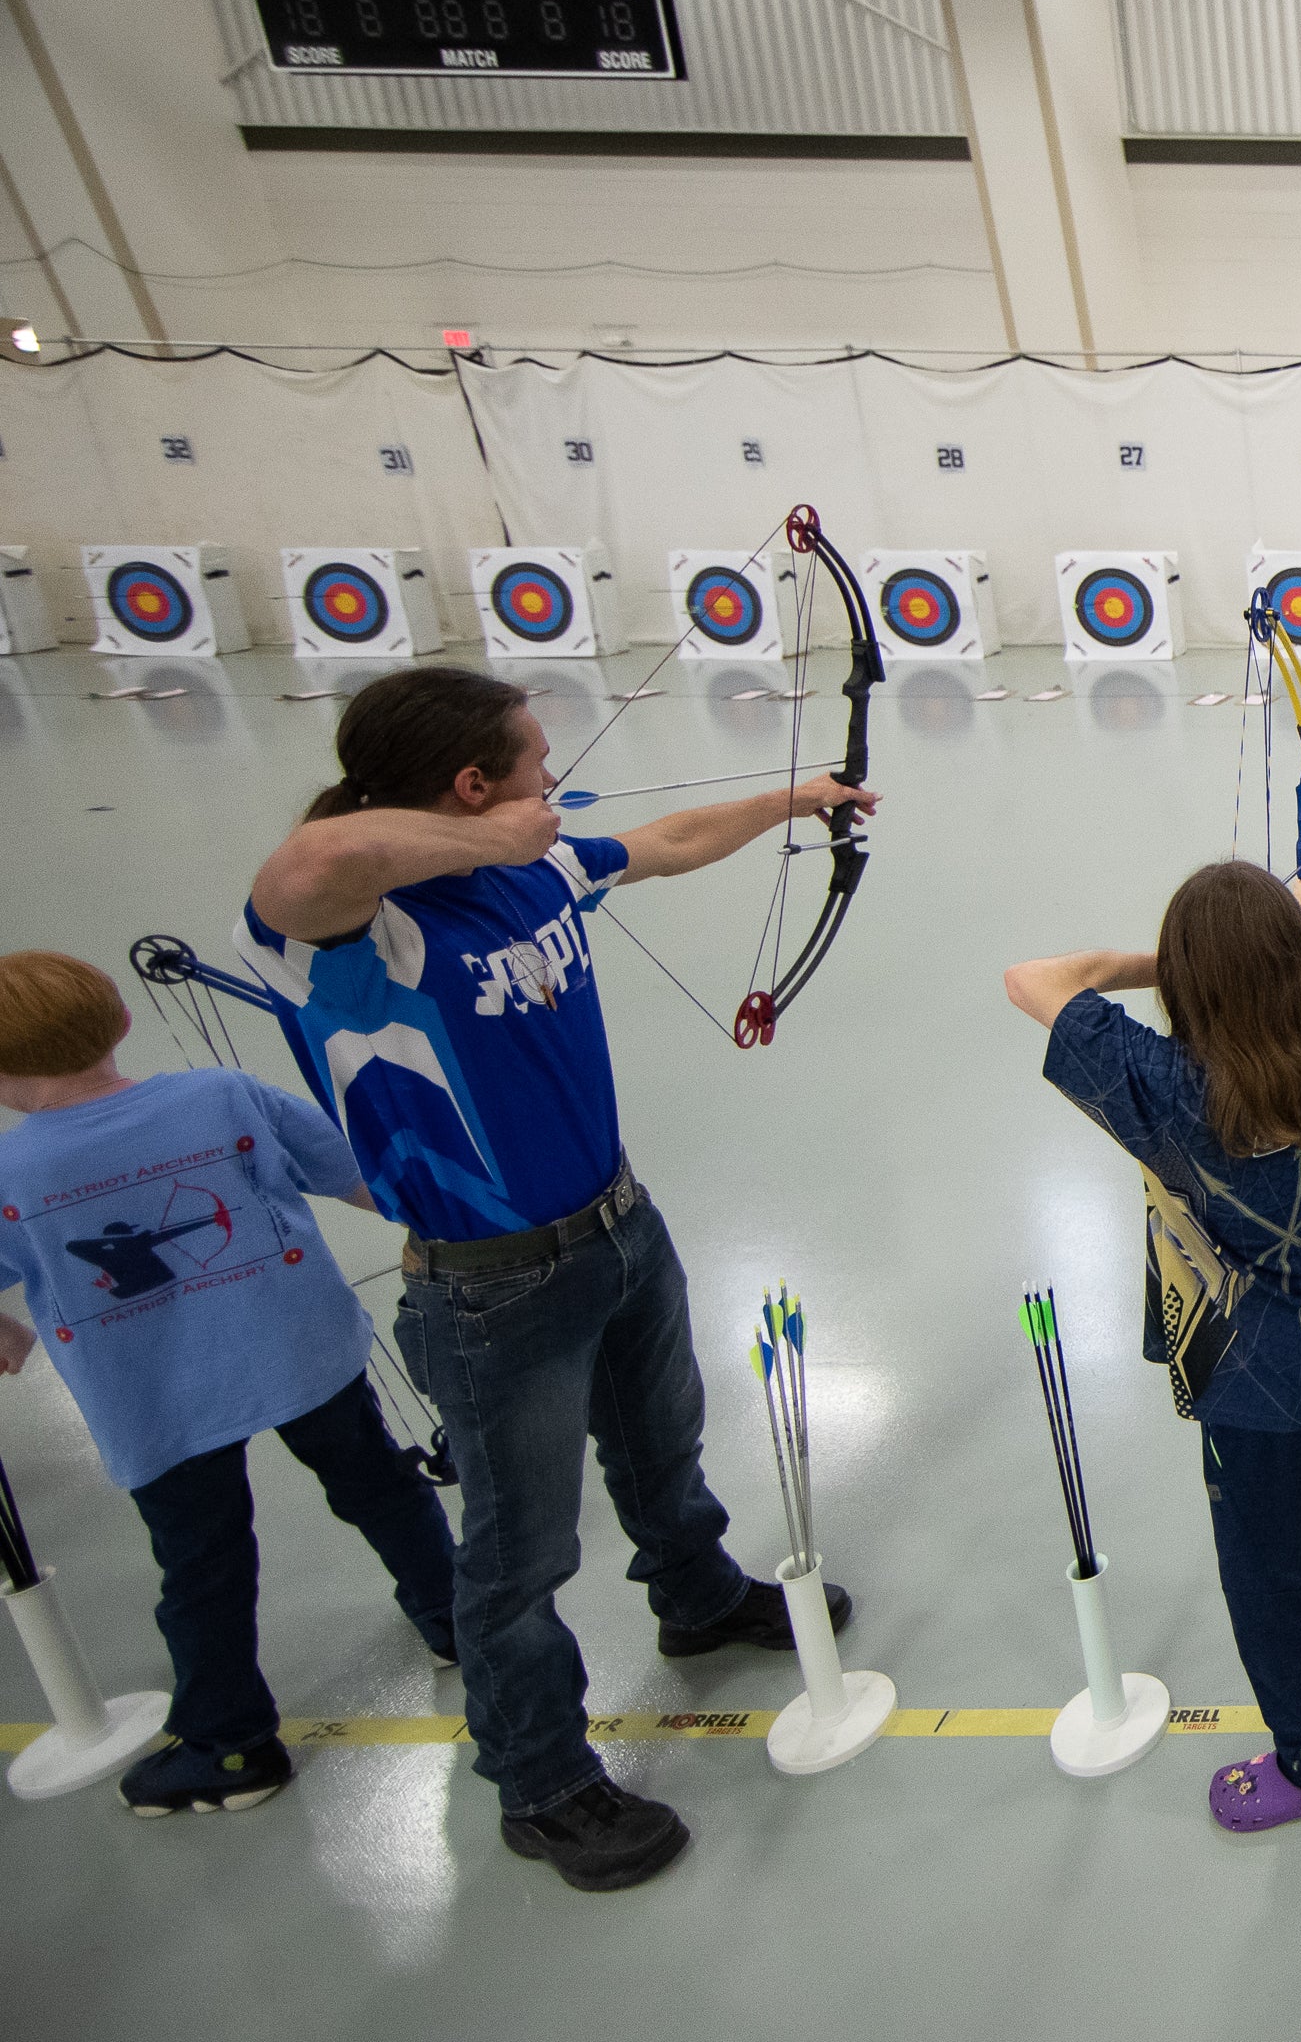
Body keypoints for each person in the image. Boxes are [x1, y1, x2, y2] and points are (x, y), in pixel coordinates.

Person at [240, 666, 876, 1891]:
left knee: (664, 1444)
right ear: (471, 786)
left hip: (618, 1221)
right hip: (488, 1285)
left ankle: (694, 1596)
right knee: (518, 1557)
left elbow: (667, 838)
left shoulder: (531, 868)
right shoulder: (349, 935)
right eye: (532, 759)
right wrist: (485, 834)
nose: (555, 774)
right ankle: (540, 1781)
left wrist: (798, 799)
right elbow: (310, 861)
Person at [0, 951, 457, 1816]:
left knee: (201, 1562)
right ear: (120, 1023)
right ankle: (458, 1623)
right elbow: (363, 1177)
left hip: (158, 1403)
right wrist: (450, 1229)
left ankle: (232, 1746)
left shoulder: (14, 1176)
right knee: (382, 1488)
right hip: (300, 1353)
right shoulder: (219, 1096)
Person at [1005, 860, 1301, 1832]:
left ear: (1195, 987)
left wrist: (1166, 968)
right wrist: (1299, 917)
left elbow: (1034, 980)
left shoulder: (1172, 1093)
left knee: (1272, 1570)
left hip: (1252, 1381)